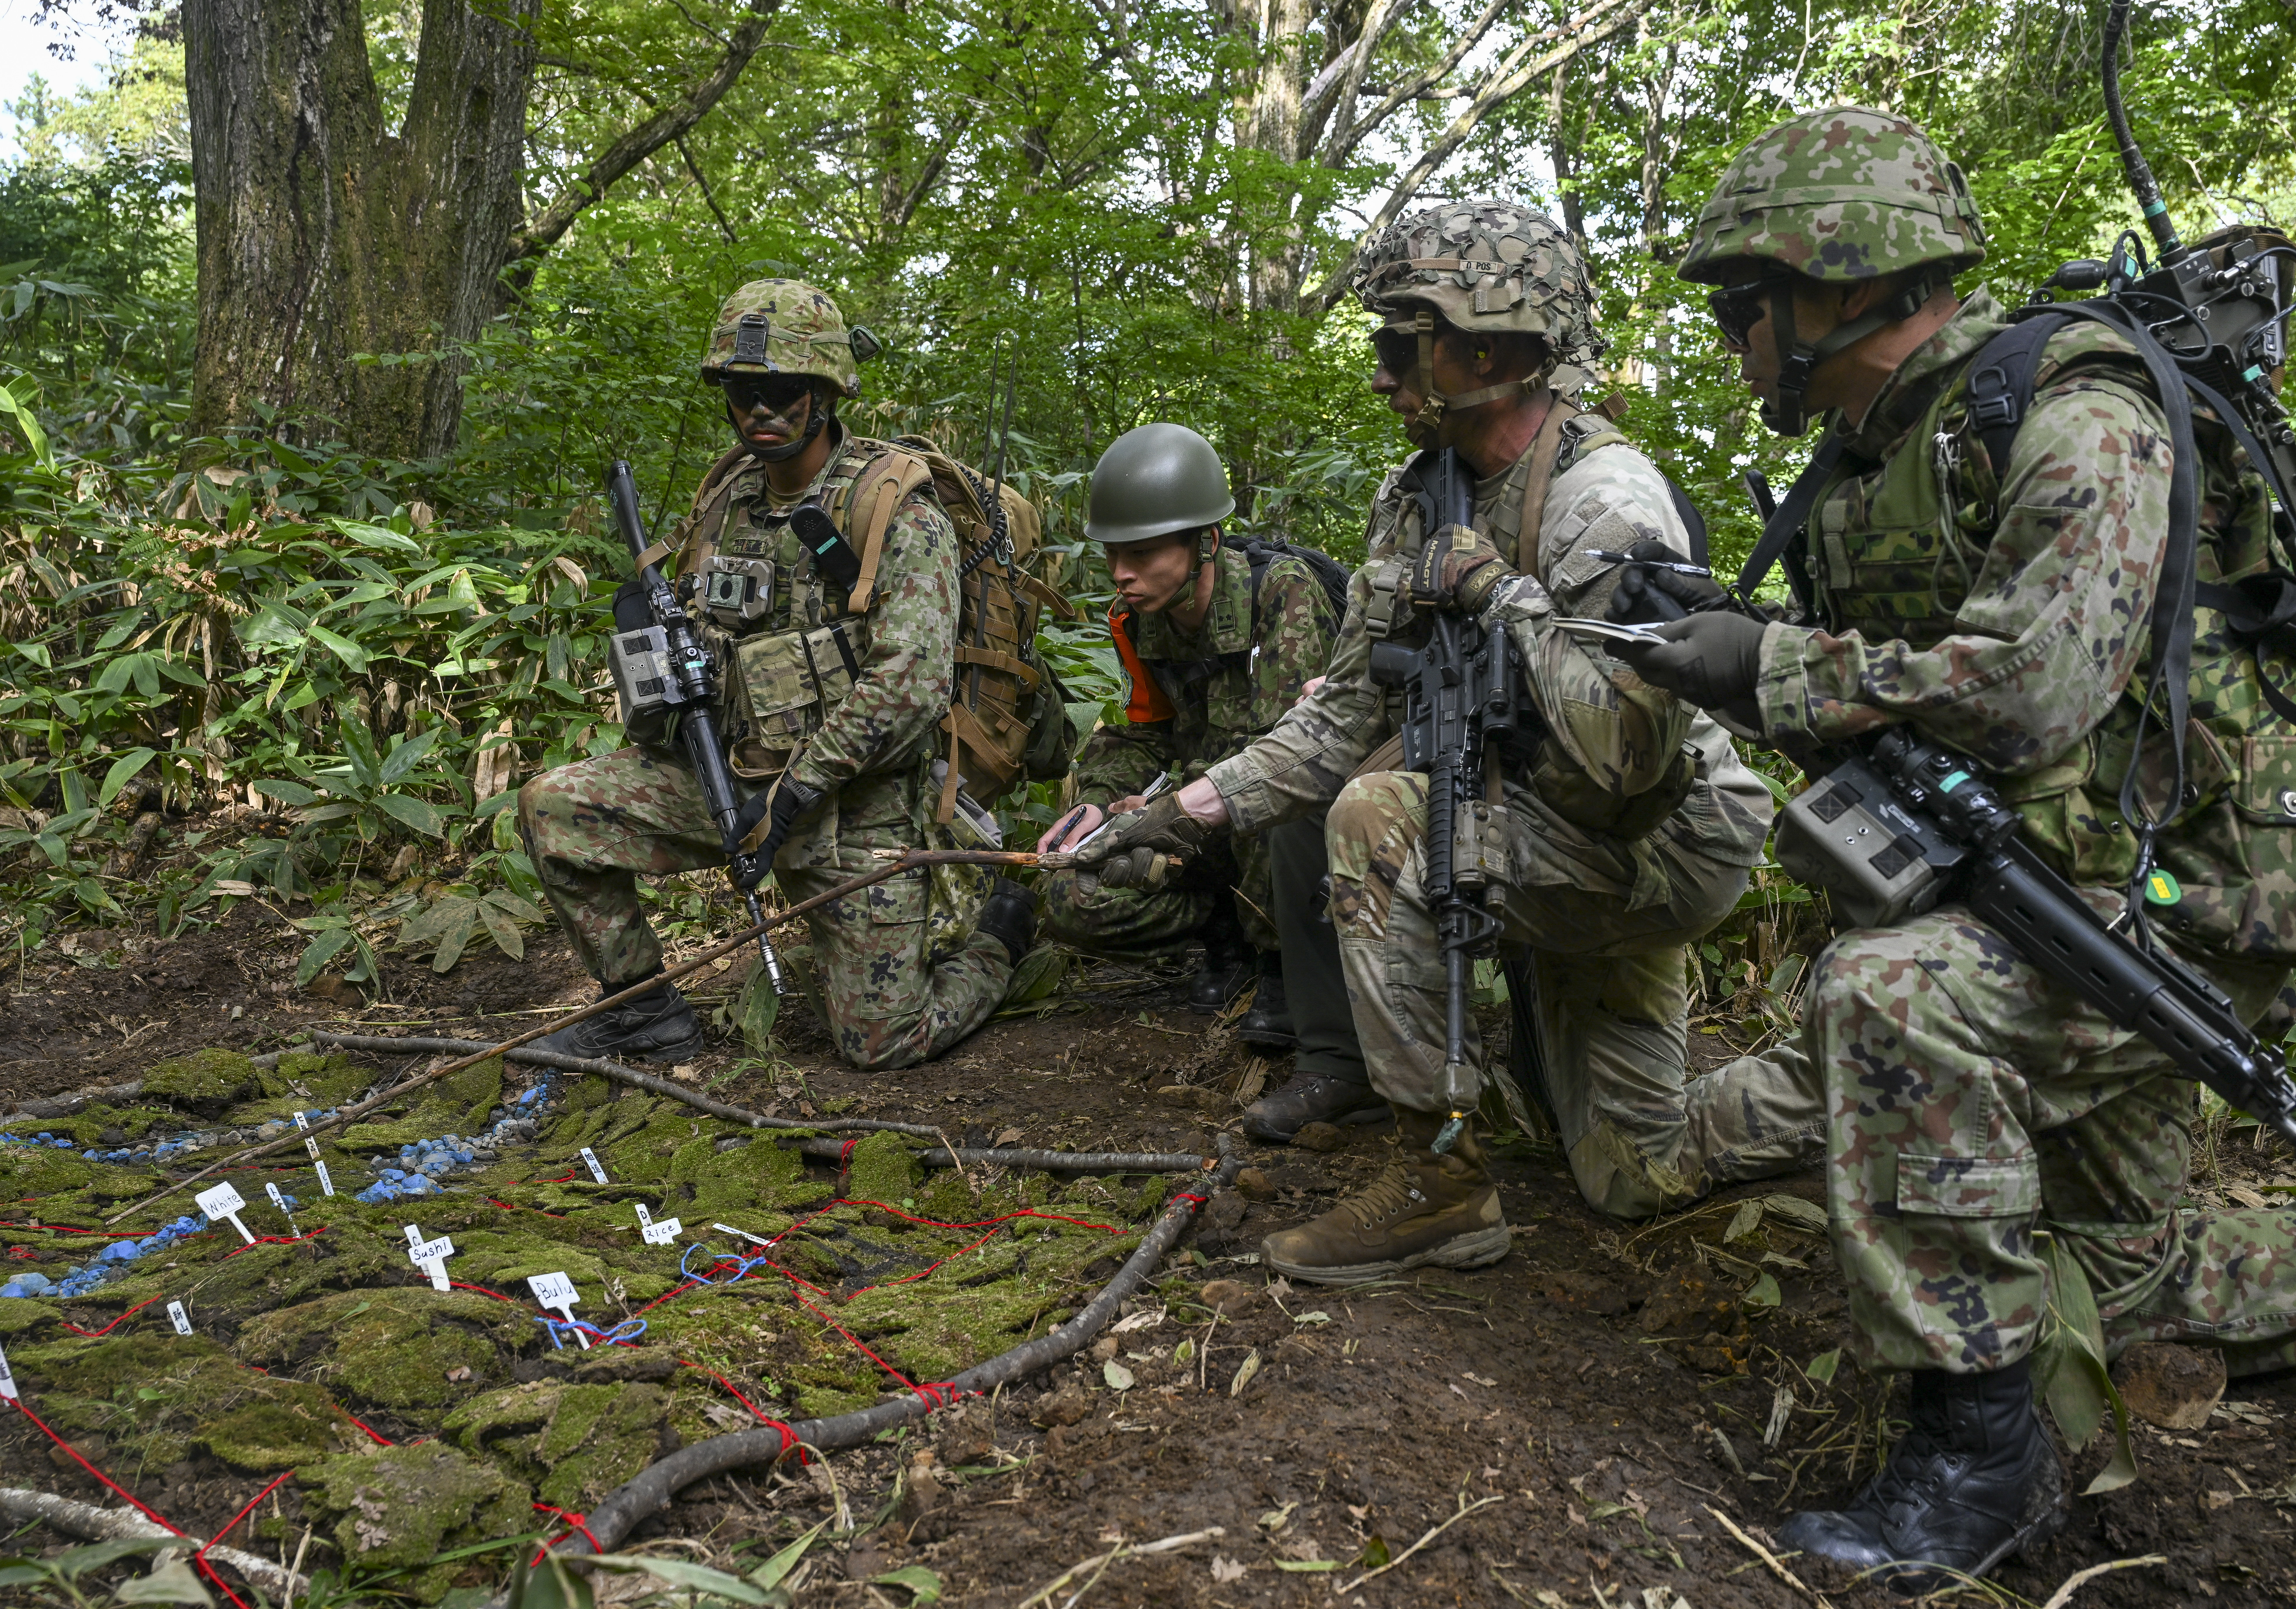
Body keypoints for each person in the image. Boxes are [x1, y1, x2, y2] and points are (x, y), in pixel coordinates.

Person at [1600, 107, 2296, 1589]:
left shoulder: (2072, 413)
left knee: (1889, 1001)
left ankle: (1976, 1466)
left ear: (1838, 287)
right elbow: (1890, 697)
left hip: (2193, 905)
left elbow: (2032, 684)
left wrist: (1765, 667)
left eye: (1741, 310)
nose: (1732, 344)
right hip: (2060, 891)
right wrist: (1713, 630)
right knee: (2115, 1281)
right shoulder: (1863, 461)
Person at [1060, 200, 1782, 1275]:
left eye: (1403, 345)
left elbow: (1630, 753)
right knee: (1635, 1172)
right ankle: (1868, 1080)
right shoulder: (1415, 502)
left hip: (1658, 845)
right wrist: (1173, 813)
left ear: (1487, 349)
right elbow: (1337, 715)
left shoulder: (1605, 501)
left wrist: (1507, 601)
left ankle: (1436, 1178)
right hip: (1548, 828)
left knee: (1375, 815)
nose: (1381, 376)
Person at [520, 279, 1038, 1069]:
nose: (761, 412)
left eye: (783, 394)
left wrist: (797, 795)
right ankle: (641, 1011)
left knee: (881, 1045)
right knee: (556, 809)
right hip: (732, 781)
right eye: (743, 393)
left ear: (826, 397)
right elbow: (697, 629)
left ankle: (999, 933)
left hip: (857, 809)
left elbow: (910, 683)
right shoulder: (725, 503)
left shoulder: (894, 512)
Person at [1033, 424, 1345, 1062]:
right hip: (1193, 823)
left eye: (1143, 554)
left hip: (1285, 818)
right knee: (1071, 898)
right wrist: (1100, 805)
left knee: (1272, 818)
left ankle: (1283, 966)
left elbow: (1289, 756)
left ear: (1205, 543)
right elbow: (1140, 734)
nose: (1122, 575)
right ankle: (1223, 931)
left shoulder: (1281, 596)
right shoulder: (1136, 619)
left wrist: (1166, 814)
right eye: (1114, 554)